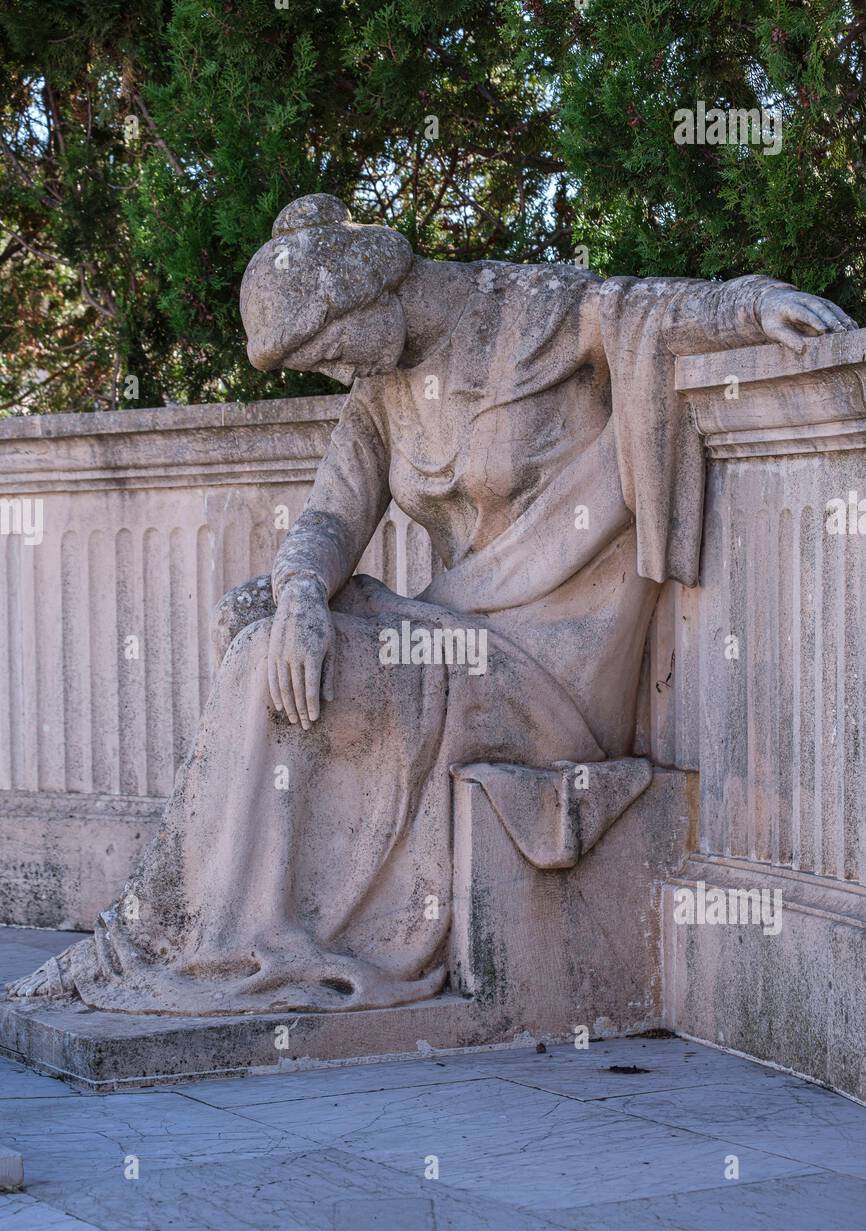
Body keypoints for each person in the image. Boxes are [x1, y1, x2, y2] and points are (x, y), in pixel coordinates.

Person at [6, 194, 855, 1014]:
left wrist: (751, 304)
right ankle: (202, 929)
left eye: (328, 350)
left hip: (545, 668)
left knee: (264, 666)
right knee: (256, 624)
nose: (335, 371)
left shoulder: (527, 314)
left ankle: (198, 938)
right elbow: (332, 515)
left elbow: (644, 313)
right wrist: (302, 590)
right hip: (453, 641)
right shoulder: (380, 391)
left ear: (367, 298)